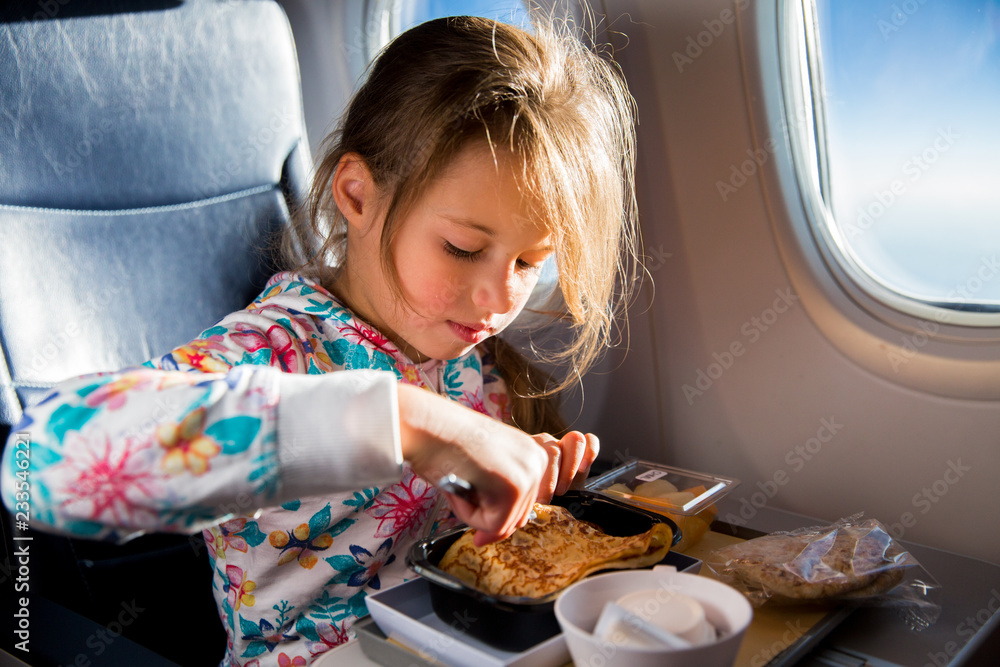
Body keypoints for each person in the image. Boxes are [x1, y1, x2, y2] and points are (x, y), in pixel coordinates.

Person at [1, 13, 638, 667]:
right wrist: (404, 421)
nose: (501, 299)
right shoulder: (277, 351)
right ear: (358, 196)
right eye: (462, 248)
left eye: (528, 263)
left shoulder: (471, 361)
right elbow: (41, 461)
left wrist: (525, 481)